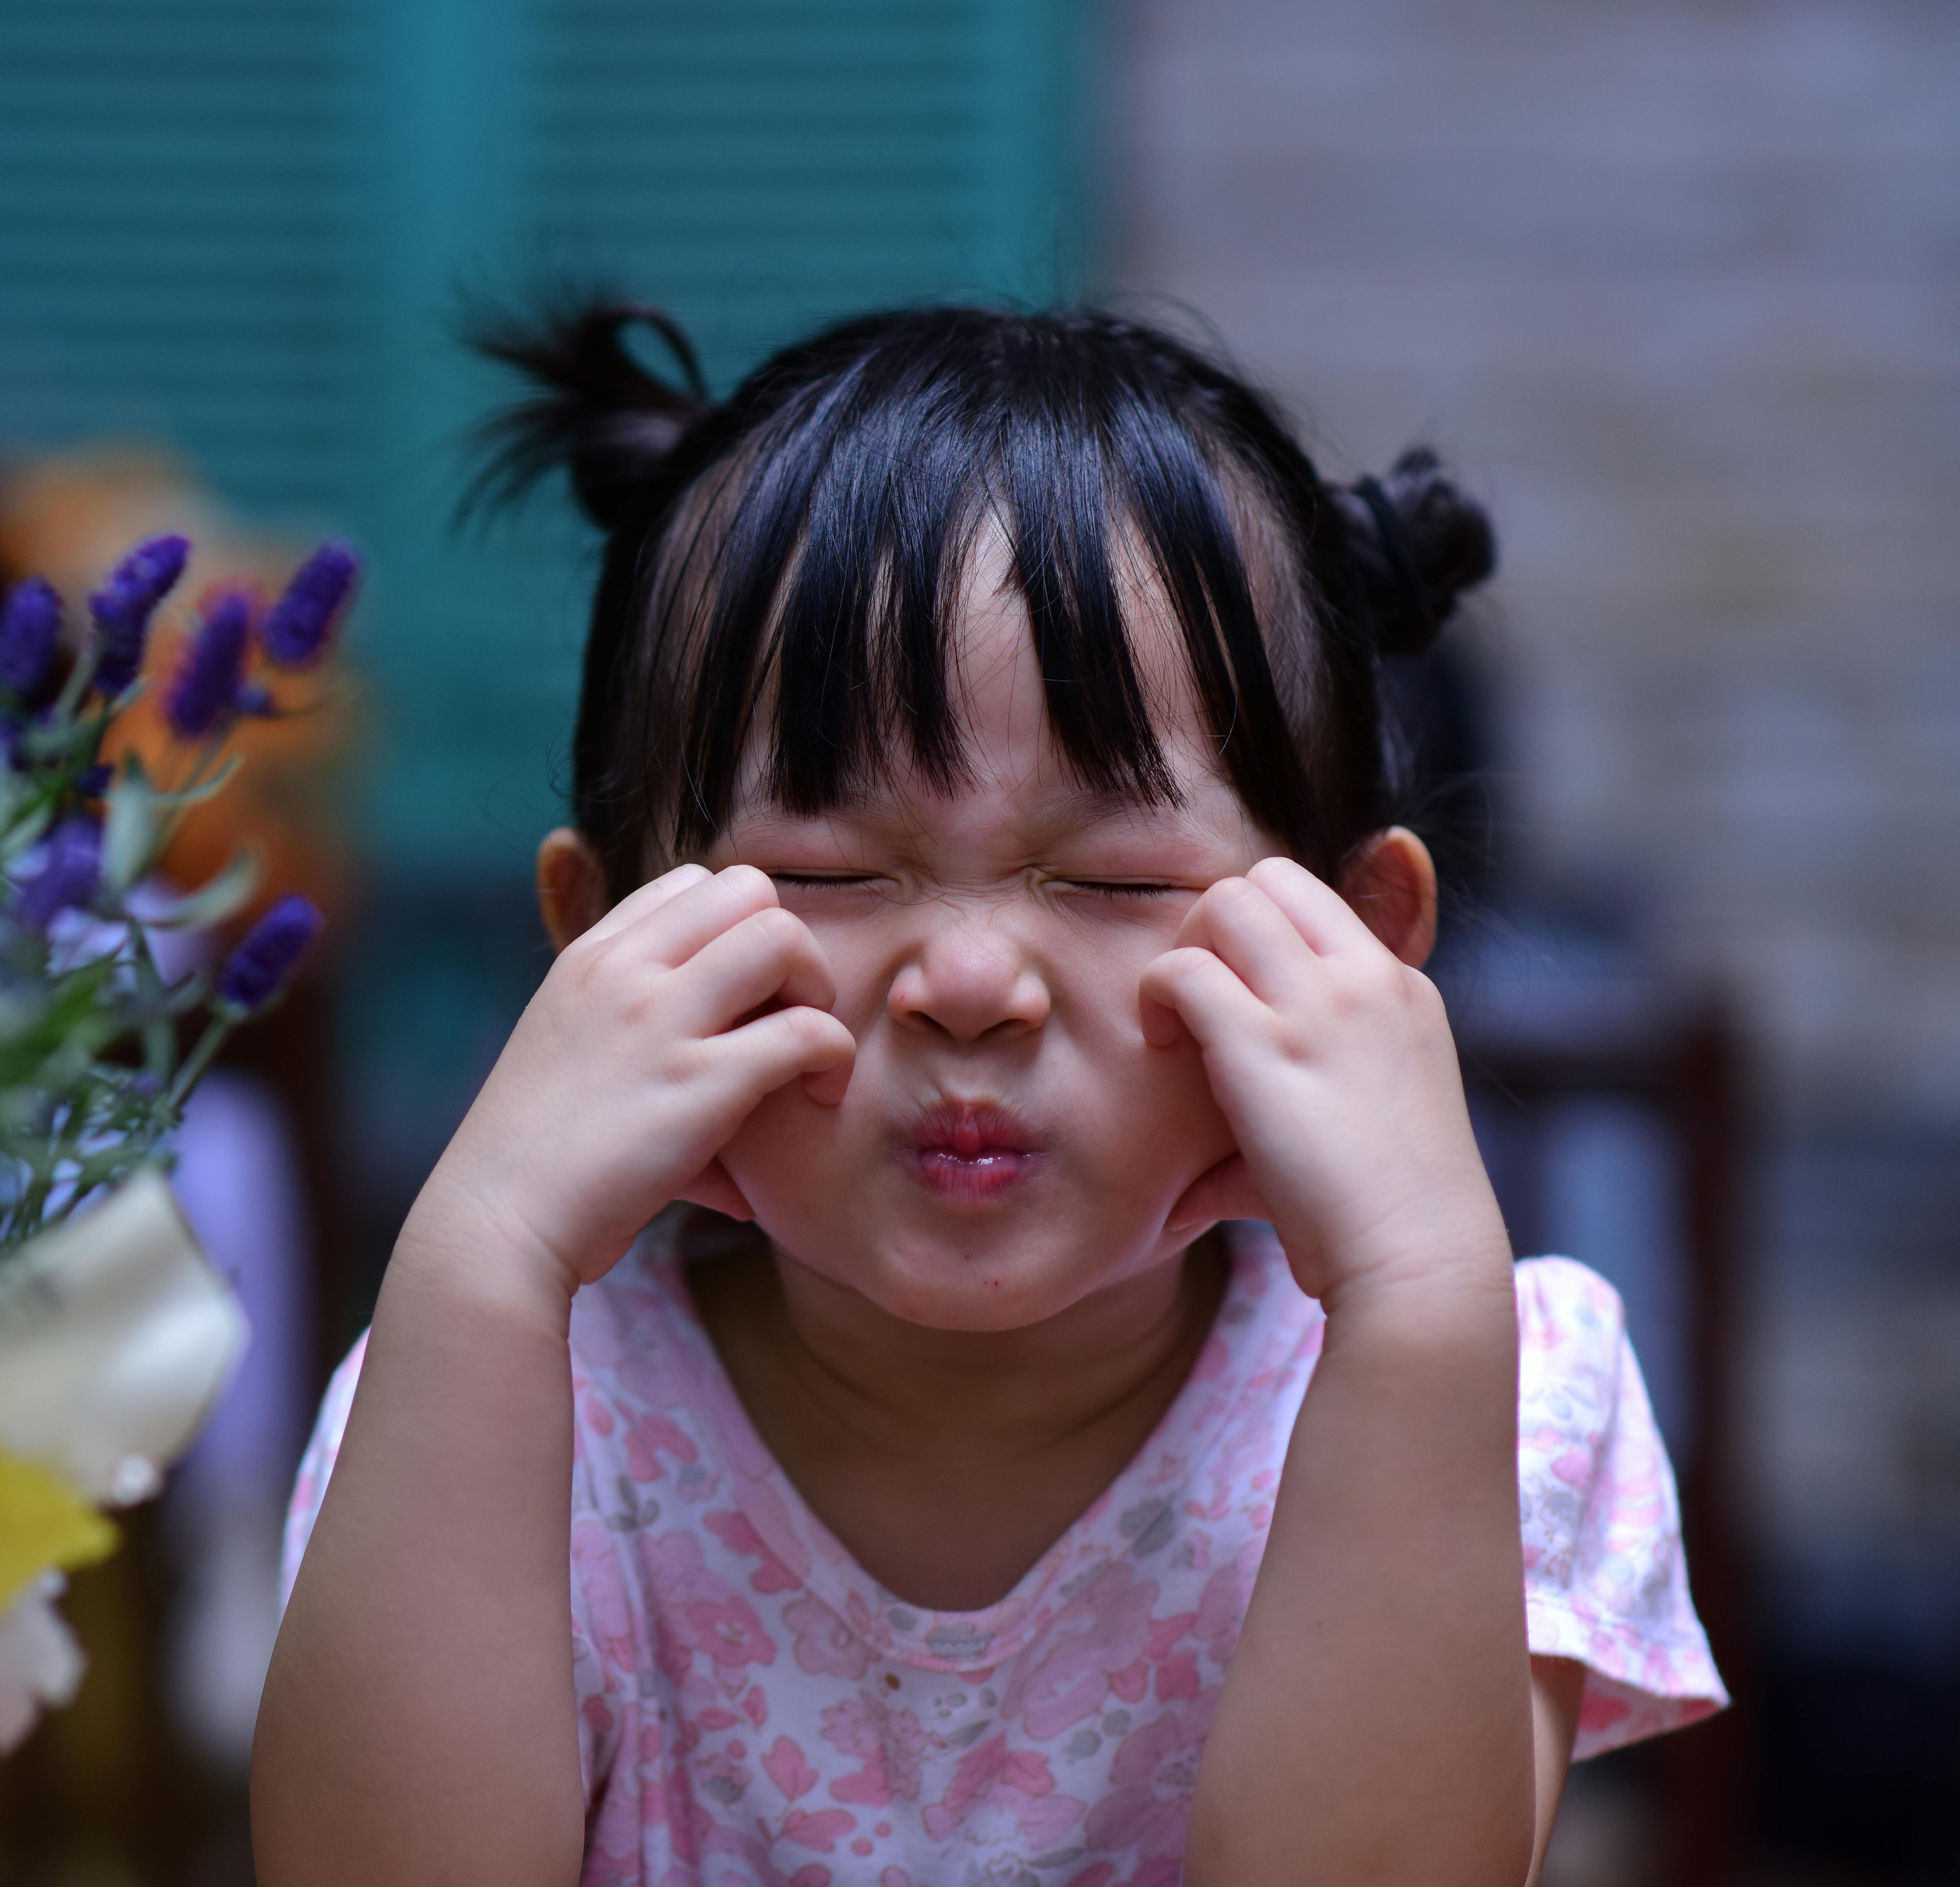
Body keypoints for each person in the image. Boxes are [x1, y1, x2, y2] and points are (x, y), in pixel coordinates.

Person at [253, 303, 1726, 1887]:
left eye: (1109, 873)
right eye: (824, 866)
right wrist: (482, 1255)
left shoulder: (1489, 1390)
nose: (965, 979)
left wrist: (1417, 1294)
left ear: (1359, 948)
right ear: (598, 950)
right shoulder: (499, 1404)